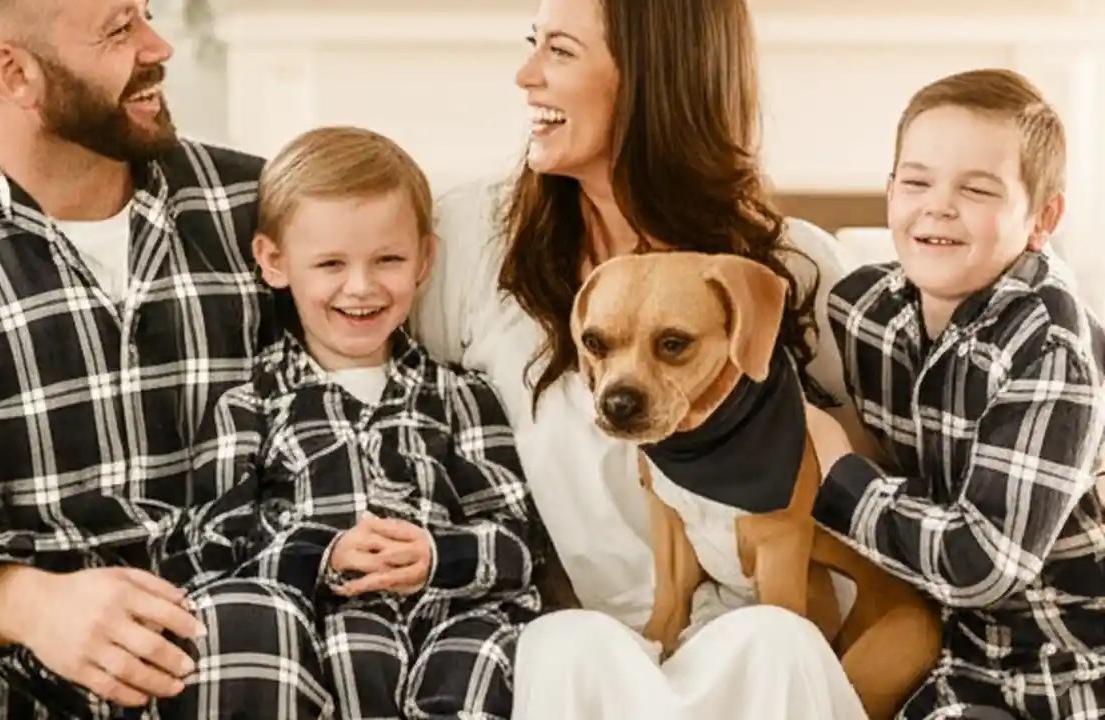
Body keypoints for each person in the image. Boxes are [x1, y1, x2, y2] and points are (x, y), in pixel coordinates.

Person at [0, 1, 334, 717]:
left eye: (144, 13)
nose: (158, 47)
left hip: (214, 638)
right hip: (10, 660)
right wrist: (24, 602)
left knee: (260, 627)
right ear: (14, 74)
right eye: (118, 30)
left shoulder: (260, 211)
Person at [410, 0, 868, 717]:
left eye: (560, 51)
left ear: (654, 75)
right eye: (534, 44)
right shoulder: (474, 243)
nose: (525, 75)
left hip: (767, 646)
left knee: (773, 642)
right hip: (591, 657)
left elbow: (876, 490)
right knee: (564, 643)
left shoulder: (796, 266)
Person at [167, 124, 541, 718]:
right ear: (274, 262)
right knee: (327, 641)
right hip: (322, 638)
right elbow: (209, 558)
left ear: (424, 259)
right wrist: (325, 554)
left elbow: (519, 545)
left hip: (448, 625)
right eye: (331, 263)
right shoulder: (249, 407)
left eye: (388, 259)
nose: (362, 287)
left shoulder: (462, 397)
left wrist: (437, 554)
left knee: (490, 646)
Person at [807, 68, 1105, 720]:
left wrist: (841, 475)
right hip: (946, 657)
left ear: (1043, 218)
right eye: (916, 182)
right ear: (890, 192)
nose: (938, 205)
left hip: (1067, 663)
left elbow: (983, 564)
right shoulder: (861, 311)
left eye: (976, 189)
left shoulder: (1049, 348)